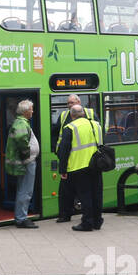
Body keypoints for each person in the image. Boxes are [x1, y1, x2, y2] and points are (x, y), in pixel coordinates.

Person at [58, 100, 104, 231]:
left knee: (85, 196)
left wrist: (63, 170)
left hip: (79, 168)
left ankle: (87, 223)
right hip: (96, 166)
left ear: (72, 116)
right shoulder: (96, 125)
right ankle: (97, 221)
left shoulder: (70, 128)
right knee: (96, 194)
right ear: (83, 113)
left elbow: (64, 152)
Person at [4, 100, 40, 228]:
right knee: (26, 191)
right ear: (25, 111)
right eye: (31, 109)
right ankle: (21, 218)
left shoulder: (21, 122)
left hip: (26, 161)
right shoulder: (21, 123)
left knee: (23, 190)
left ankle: (20, 217)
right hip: (27, 162)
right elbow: (21, 141)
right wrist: (27, 155)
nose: (32, 111)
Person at [55, 94, 83, 224]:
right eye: (68, 103)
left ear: (79, 102)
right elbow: (55, 133)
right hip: (68, 160)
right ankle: (65, 214)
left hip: (82, 162)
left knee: (83, 190)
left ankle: (87, 216)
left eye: (72, 102)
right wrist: (57, 152)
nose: (69, 105)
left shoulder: (89, 114)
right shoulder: (63, 116)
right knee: (65, 191)